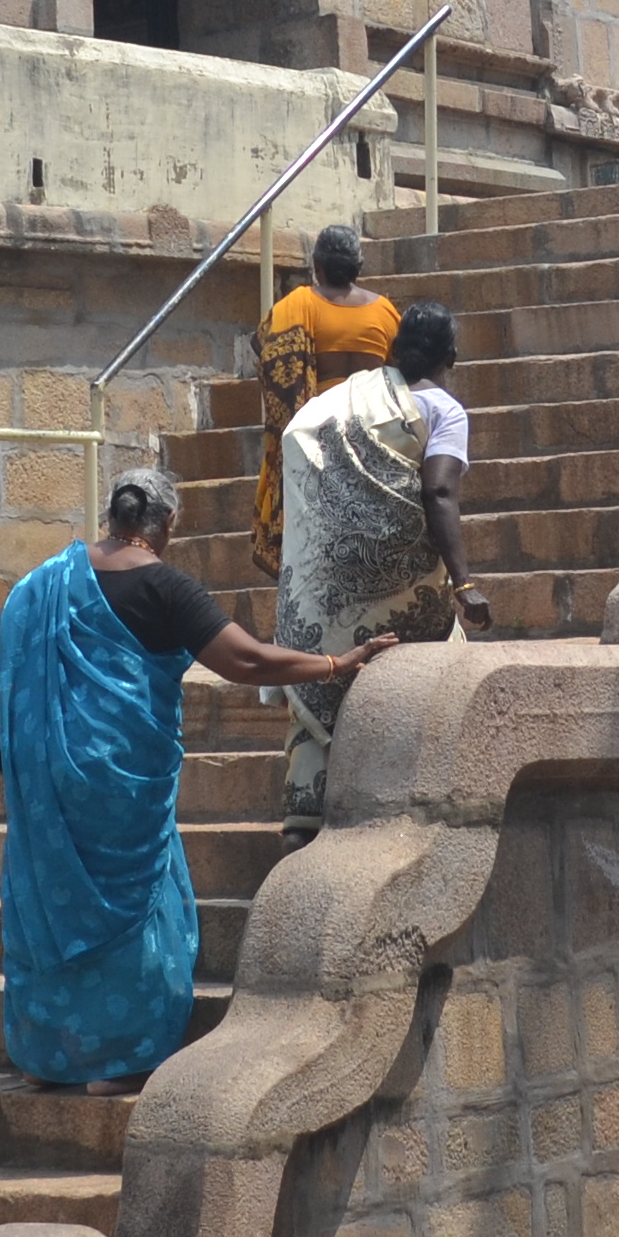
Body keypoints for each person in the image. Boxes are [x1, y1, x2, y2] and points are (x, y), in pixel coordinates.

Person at [0, 467, 396, 1089]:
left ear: (111, 515)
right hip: (122, 783)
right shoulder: (163, 585)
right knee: (129, 911)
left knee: (55, 901)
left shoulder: (44, 581)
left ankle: (51, 1058)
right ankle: (122, 1059)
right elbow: (245, 660)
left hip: (48, 777)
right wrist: (338, 662)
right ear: (168, 523)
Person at [273, 303, 474, 838]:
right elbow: (439, 491)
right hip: (402, 583)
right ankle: (414, 801)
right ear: (452, 357)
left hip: (323, 585)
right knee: (436, 667)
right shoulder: (444, 410)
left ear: (393, 350)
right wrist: (465, 583)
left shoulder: (341, 400)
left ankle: (304, 818)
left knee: (322, 674)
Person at [250, 223, 400, 575]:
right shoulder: (386, 312)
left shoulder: (295, 306)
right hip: (370, 441)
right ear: (359, 267)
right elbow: (400, 372)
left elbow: (264, 348)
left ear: (316, 266)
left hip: (315, 441)